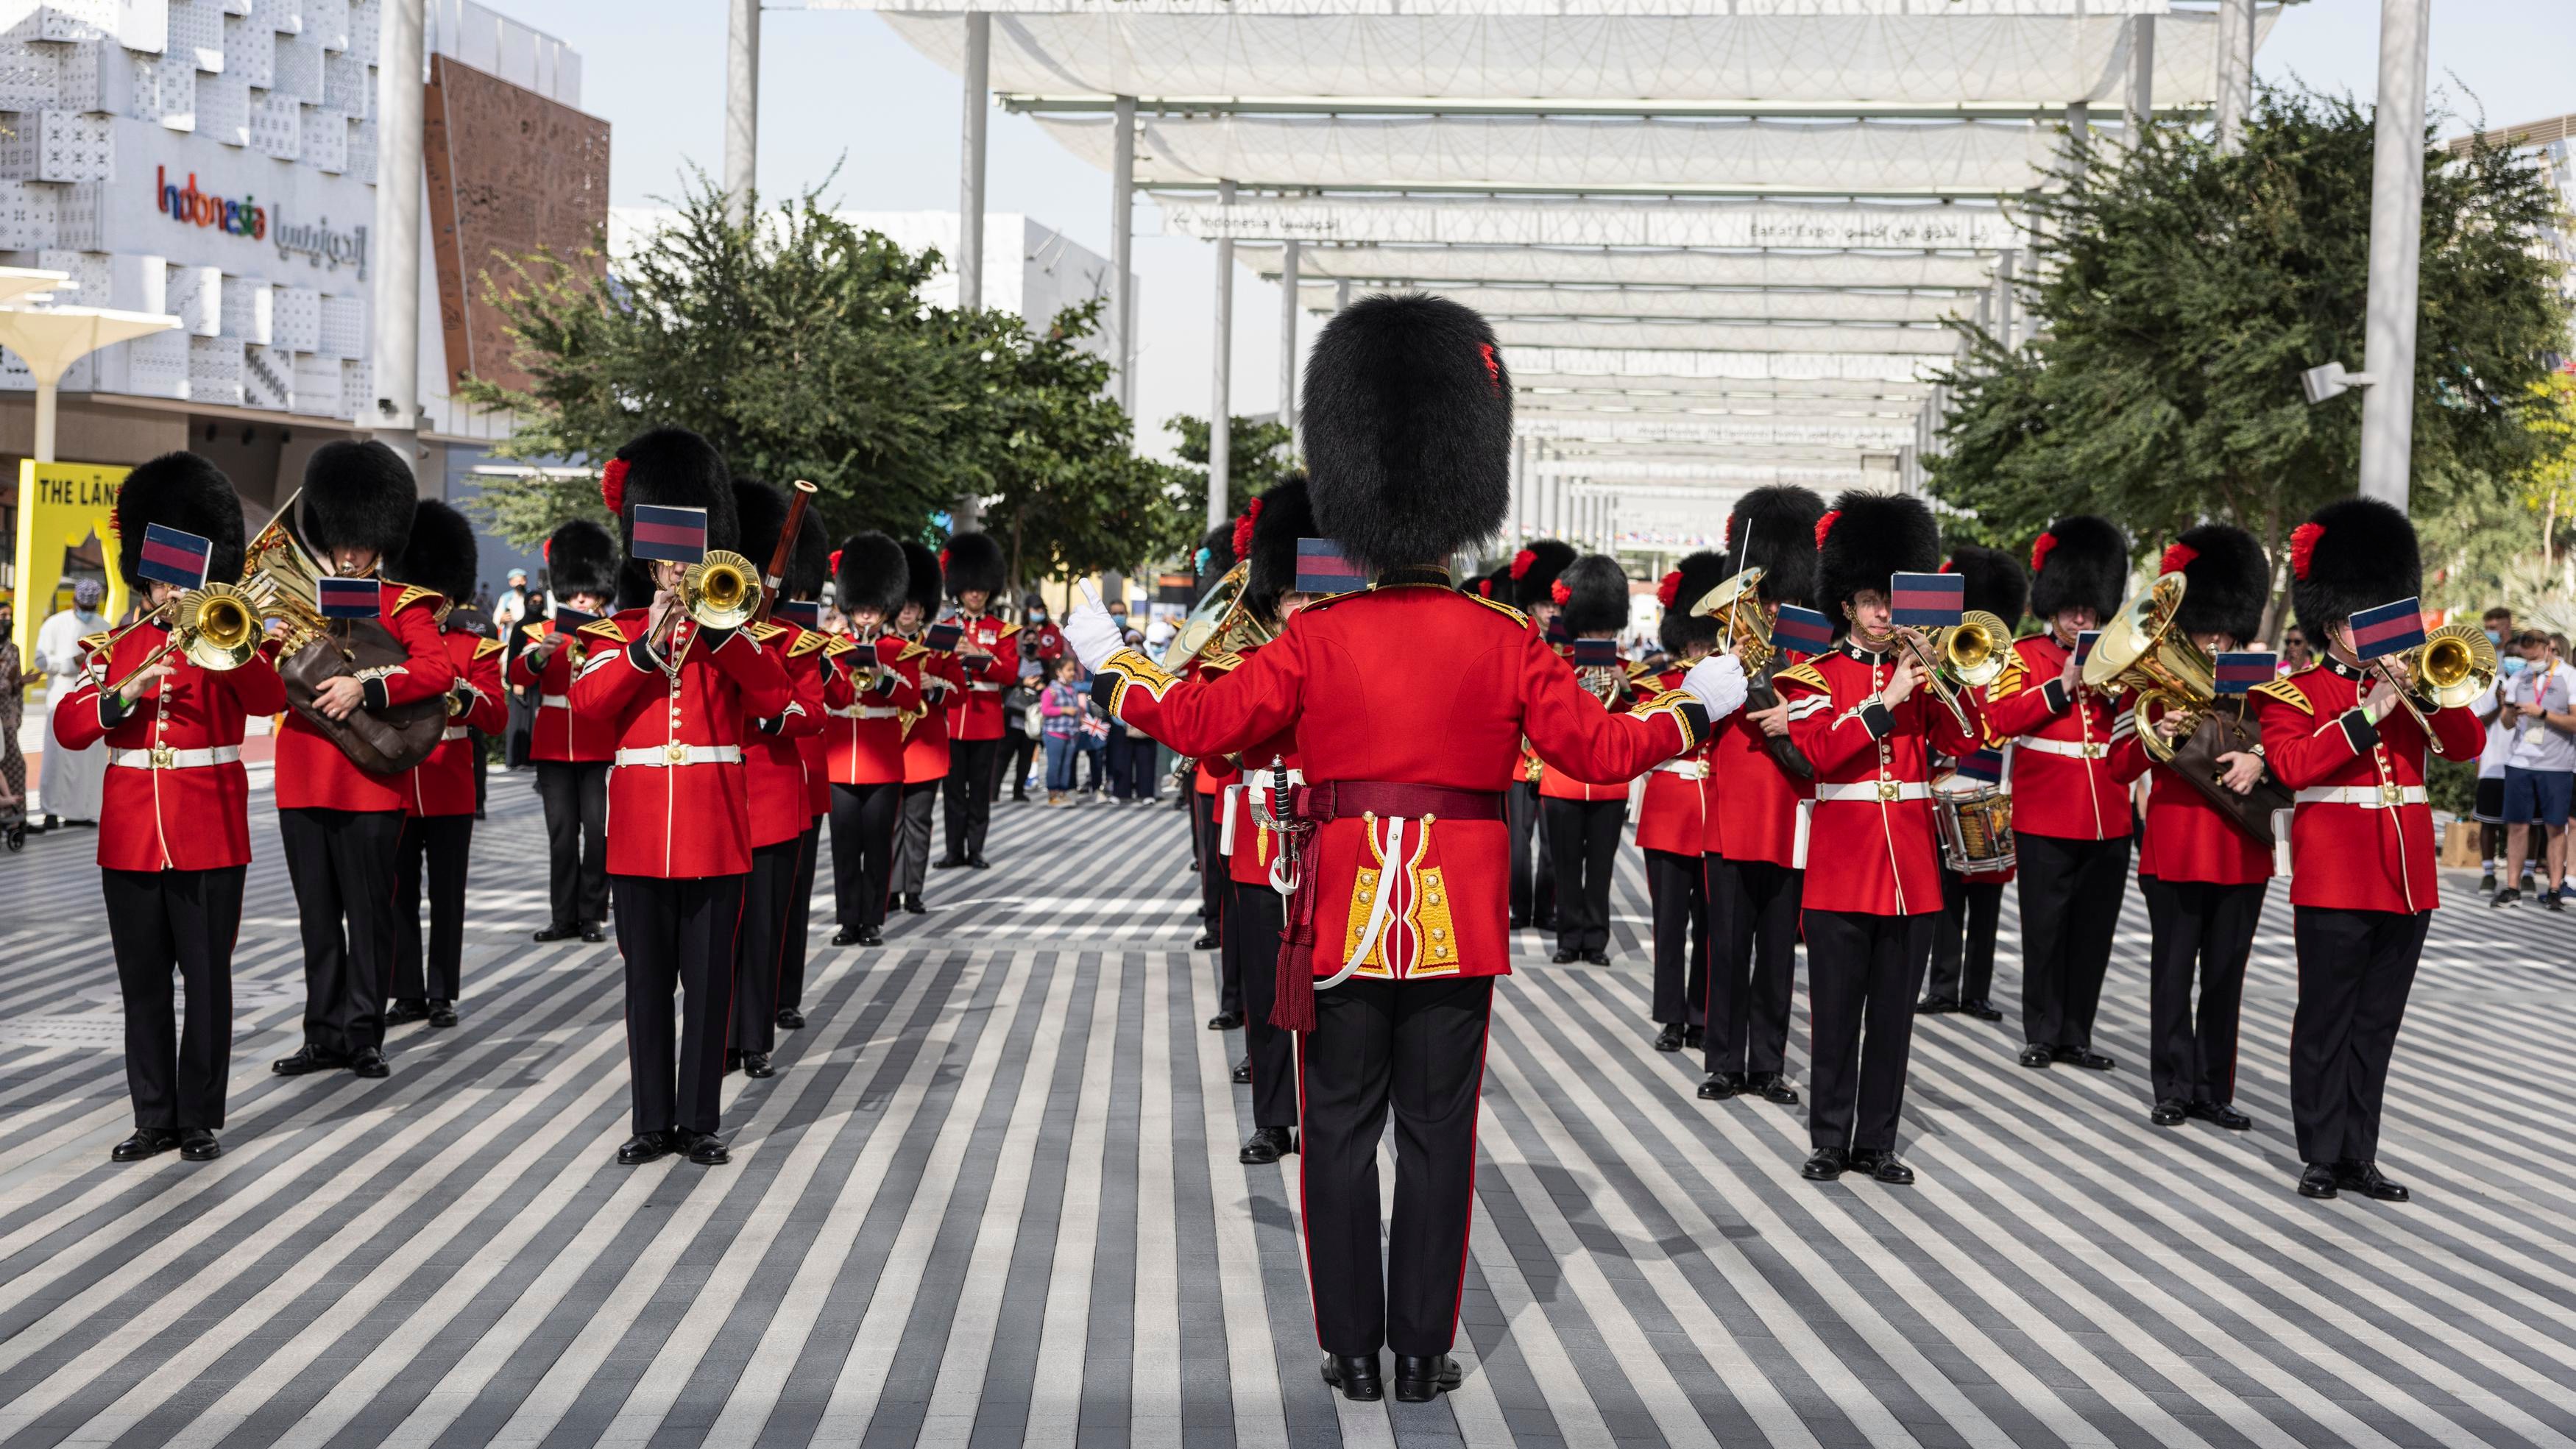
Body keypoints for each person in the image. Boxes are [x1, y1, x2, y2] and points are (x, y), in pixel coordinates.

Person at [1065, 294, 1744, 1403]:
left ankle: (1347, 1348)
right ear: (1459, 507)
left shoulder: (1315, 640)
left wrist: (1107, 664)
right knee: (1439, 1139)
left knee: (1334, 1133)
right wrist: (1700, 709)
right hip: (1456, 920)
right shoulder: (1507, 640)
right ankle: (1423, 1349)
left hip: (1337, 912)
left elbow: (1196, 726)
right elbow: (1609, 748)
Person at [52, 452, 286, 1162]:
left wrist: (228, 638)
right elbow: (69, 725)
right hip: (130, 838)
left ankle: (198, 1118)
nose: (163, 592)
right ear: (141, 577)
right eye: (154, 580)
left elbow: (270, 701)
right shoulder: (113, 646)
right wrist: (125, 691)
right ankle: (153, 1115)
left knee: (208, 984)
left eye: (176, 579)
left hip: (208, 832)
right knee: (144, 985)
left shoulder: (228, 636)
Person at [570, 427, 791, 1167]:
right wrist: (649, 642)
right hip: (638, 836)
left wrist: (717, 627)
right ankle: (650, 1121)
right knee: (644, 989)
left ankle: (699, 1120)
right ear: (645, 554)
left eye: (682, 555)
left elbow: (773, 692)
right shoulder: (617, 628)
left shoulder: (735, 625)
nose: (672, 568)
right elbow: (591, 701)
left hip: (714, 830)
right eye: (661, 556)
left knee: (707, 986)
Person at [2254, 497, 2483, 1202]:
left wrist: (2432, 694)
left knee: (2377, 1025)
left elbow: (2469, 747)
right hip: (2334, 880)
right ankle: (2320, 1152)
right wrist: (2367, 712)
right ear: (2333, 623)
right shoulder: (2294, 692)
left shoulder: (2414, 686)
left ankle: (2360, 1153)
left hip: (2408, 880)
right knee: (2325, 1020)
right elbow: (2292, 768)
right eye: (2364, 616)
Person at [1775, 490, 1989, 1186]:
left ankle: (1878, 1141)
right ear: (1845, 605)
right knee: (1835, 1016)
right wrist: (1886, 699)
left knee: (1893, 1023)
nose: (1884, 614)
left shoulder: (1924, 676)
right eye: (1871, 601)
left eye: (1891, 601)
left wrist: (1946, 676)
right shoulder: (1814, 675)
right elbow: (1819, 752)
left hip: (1912, 873)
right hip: (1843, 867)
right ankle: (1829, 1138)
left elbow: (1970, 737)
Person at [270, 441, 459, 1083]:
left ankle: (362, 1032)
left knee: (369, 914)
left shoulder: (405, 604)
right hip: (302, 776)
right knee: (317, 916)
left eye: (362, 543)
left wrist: (367, 686)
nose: (351, 554)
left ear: (382, 543)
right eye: (343, 540)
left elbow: (438, 669)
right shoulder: (294, 603)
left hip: (370, 781)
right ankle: (321, 1031)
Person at [2114, 525, 2274, 1130]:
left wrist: (2258, 753)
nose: (2215, 642)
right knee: (2173, 973)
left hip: (2241, 852)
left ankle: (2214, 1088)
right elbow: (2116, 765)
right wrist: (2163, 734)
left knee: (2226, 978)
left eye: (2224, 632)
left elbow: (2287, 753)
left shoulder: (2261, 689)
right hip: (2177, 849)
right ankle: (2172, 1085)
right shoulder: (2155, 692)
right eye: (2207, 631)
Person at [1979, 515, 2142, 1073]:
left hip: (2108, 818)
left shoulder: (2119, 665)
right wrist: (2062, 685)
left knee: (2093, 933)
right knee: (2044, 930)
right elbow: (1998, 718)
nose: (2082, 617)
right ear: (2053, 606)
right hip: (2045, 816)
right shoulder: (2024, 657)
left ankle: (2077, 1032)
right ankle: (2042, 1030)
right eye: (2073, 608)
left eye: (2091, 609)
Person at [1698, 486, 1826, 1105]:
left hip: (1790, 814)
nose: (1774, 604)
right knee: (1727, 946)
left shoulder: (1816, 646)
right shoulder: (1730, 643)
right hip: (1732, 814)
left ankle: (1767, 1064)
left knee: (1777, 951)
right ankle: (1723, 1059)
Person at [1212, 474, 1318, 1163]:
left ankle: (1327, 1105)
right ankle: (1273, 1117)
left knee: (1328, 981)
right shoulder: (1249, 661)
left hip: (1332, 830)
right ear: (1274, 601)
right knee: (1265, 978)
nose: (1301, 607)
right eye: (1291, 597)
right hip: (1261, 829)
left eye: (1312, 594)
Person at [387, 500, 506, 1030]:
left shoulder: (473, 645)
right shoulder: (387, 641)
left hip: (450, 782)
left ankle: (442, 991)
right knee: (398, 893)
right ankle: (406, 990)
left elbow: (498, 715)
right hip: (396, 778)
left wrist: (464, 694)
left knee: (446, 894)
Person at [725, 481, 829, 1077]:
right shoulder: (707, 630)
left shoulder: (794, 640)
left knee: (764, 926)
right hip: (714, 796)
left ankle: (754, 1036)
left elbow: (811, 712)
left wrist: (769, 704)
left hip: (770, 801)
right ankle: (721, 1030)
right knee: (721, 929)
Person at [1916, 543, 2025, 1024]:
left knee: (1986, 893)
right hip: (1943, 780)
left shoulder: (2008, 663)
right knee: (1947, 889)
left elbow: (2005, 720)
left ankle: (1975, 989)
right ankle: (1943, 985)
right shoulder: (1941, 655)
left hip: (1988, 779)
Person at [512, 520, 620, 943]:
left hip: (598, 746)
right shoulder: (539, 631)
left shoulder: (612, 634)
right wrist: (541, 653)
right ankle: (563, 917)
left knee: (597, 835)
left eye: (590, 591)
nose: (582, 597)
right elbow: (517, 672)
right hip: (554, 746)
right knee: (561, 836)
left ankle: (592, 914)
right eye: (576, 589)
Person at [823, 532, 923, 949]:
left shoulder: (902, 650)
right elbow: (829, 695)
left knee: (878, 845)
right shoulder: (832, 647)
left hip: (882, 759)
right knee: (845, 845)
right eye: (860, 609)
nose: (865, 618)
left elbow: (912, 698)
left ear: (885, 611)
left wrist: (883, 679)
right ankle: (848, 920)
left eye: (873, 611)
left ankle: (873, 920)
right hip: (841, 755)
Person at [1539, 553, 1640, 965]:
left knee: (1599, 871)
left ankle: (1595, 940)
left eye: (1606, 628)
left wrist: (1627, 688)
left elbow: (1643, 720)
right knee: (1565, 868)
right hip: (1563, 781)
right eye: (1593, 627)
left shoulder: (1630, 669)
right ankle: (1568, 938)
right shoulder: (1560, 666)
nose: (1600, 634)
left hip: (1608, 784)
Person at [1639, 553, 1719, 1053]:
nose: (1702, 648)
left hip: (1716, 811)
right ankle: (1671, 1015)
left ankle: (1702, 1013)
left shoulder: (1735, 685)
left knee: (1713, 923)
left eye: (1709, 639)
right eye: (1695, 640)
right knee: (1670, 924)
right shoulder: (1661, 684)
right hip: (1671, 810)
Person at [933, 533, 1019, 869]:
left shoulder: (1002, 630)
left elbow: (1009, 674)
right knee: (953, 791)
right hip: (953, 717)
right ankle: (954, 849)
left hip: (986, 719)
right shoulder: (946, 627)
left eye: (981, 589)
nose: (975, 593)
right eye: (970, 587)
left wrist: (980, 655)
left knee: (980, 790)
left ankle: (976, 849)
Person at [1506, 540, 1574, 932]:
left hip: (1553, 758)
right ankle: (1521, 909)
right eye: (1547, 605)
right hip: (1519, 757)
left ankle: (1545, 911)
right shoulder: (1517, 640)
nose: (1553, 612)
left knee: (1551, 845)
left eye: (1557, 605)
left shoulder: (1569, 649)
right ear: (1532, 604)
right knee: (1519, 842)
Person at [888, 541, 955, 915]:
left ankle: (913, 890)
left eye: (913, 607)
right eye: (903, 606)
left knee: (918, 823)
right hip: (887, 746)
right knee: (891, 824)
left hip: (924, 748)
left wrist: (937, 685)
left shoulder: (939, 647)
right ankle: (891, 890)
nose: (907, 612)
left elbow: (959, 693)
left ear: (922, 609)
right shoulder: (880, 645)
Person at [2491, 628, 2575, 911]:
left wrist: (2543, 715)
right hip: (2520, 762)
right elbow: (2505, 724)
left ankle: (2554, 888)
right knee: (2516, 826)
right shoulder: (2520, 676)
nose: (2530, 662)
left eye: (2535, 656)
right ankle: (2512, 887)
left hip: (2557, 764)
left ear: (2549, 649)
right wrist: (2509, 711)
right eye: (2526, 657)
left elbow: (2575, 723)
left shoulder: (2569, 676)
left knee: (2555, 827)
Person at [35, 576, 111, 828]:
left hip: (93, 700)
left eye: (92, 608)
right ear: (74, 601)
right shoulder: (54, 625)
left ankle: (82, 812)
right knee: (57, 757)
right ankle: (52, 811)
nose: (88, 613)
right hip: (61, 699)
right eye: (84, 607)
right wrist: (72, 662)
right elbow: (42, 661)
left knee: (91, 758)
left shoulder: (104, 627)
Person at [0, 589, 34, 818]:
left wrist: (19, 684)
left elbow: (14, 690)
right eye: (2, 615)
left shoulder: (13, 650)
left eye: (8, 616)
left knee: (14, 765)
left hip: (6, 716)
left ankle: (16, 817)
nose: (6, 620)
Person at [1038, 655, 1086, 805]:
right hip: (1054, 733)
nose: (1072, 673)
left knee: (1067, 765)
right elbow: (1046, 710)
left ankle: (1063, 792)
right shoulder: (1051, 690)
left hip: (1071, 734)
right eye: (1069, 670)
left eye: (1073, 670)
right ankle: (1053, 794)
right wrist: (1064, 710)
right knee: (1055, 764)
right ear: (1059, 671)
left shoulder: (1072, 689)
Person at [1001, 670, 1041, 802]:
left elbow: (1052, 679)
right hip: (1012, 718)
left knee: (1026, 758)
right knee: (1003, 757)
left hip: (1032, 721)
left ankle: (1019, 791)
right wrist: (1022, 682)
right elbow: (1005, 677)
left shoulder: (1042, 664)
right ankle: (993, 792)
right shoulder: (1017, 661)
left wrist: (1041, 686)